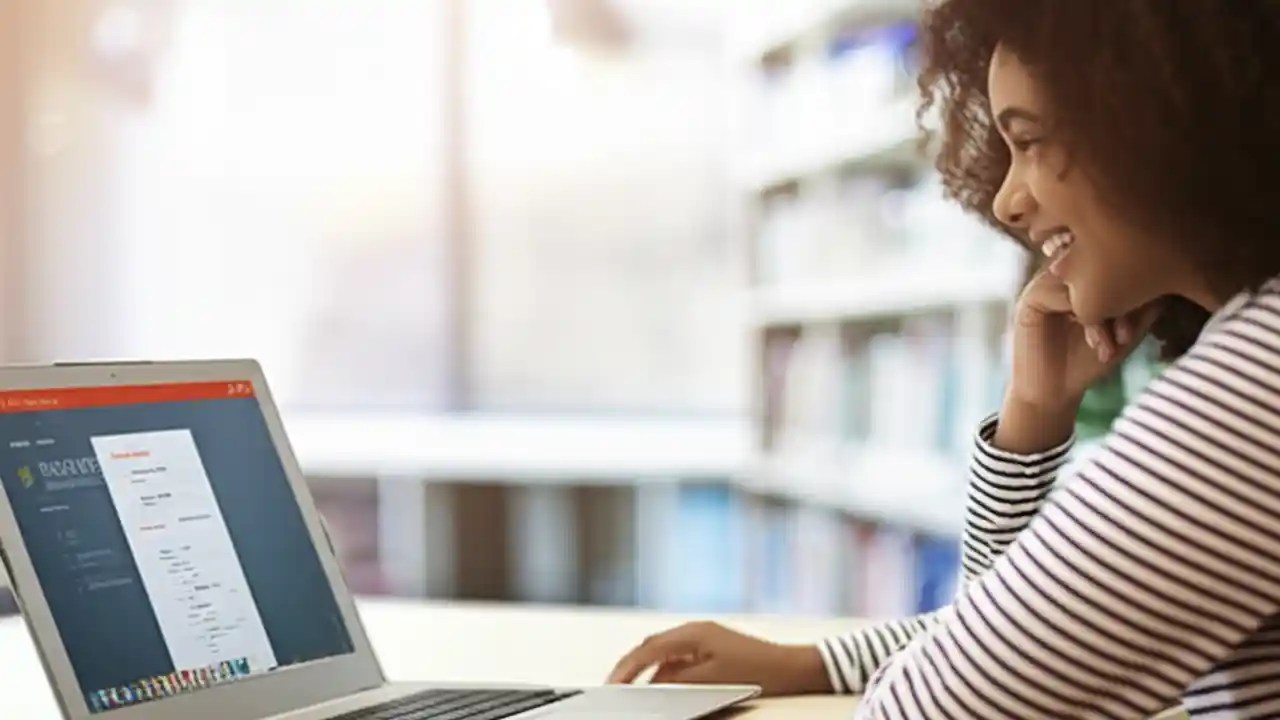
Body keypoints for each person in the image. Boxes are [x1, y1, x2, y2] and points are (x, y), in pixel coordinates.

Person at [608, 0, 1280, 717]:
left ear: (1157, 119)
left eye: (1030, 141)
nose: (1007, 201)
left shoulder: (1258, 384)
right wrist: (1032, 415)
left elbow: (933, 707)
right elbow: (1018, 626)